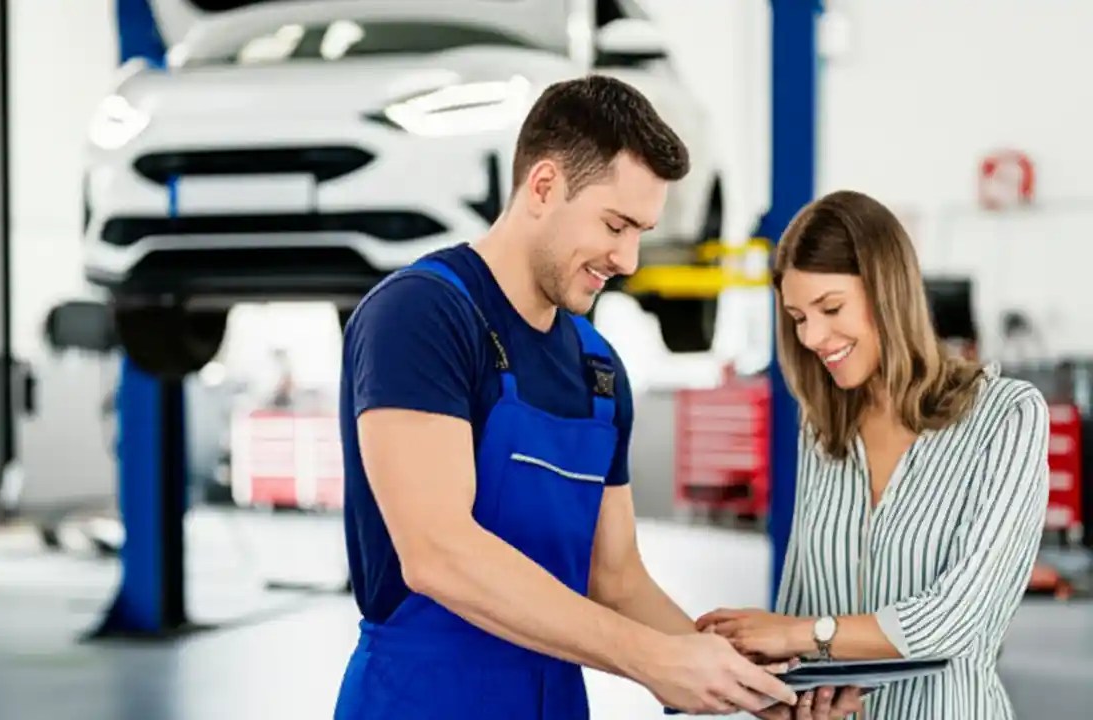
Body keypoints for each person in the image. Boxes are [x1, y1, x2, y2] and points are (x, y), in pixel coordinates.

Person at [332, 75, 799, 719]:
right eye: (616, 224)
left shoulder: (598, 366)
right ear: (544, 187)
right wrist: (652, 661)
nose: (629, 258)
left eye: (642, 230)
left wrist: (739, 680)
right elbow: (438, 554)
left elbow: (616, 577)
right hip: (423, 698)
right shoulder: (421, 315)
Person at [697, 190, 1051, 719]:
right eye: (797, 316)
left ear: (887, 291)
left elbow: (956, 618)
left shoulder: (1008, 416)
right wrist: (782, 692)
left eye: (830, 307)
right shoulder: (821, 427)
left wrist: (800, 634)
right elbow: (801, 596)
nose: (813, 336)